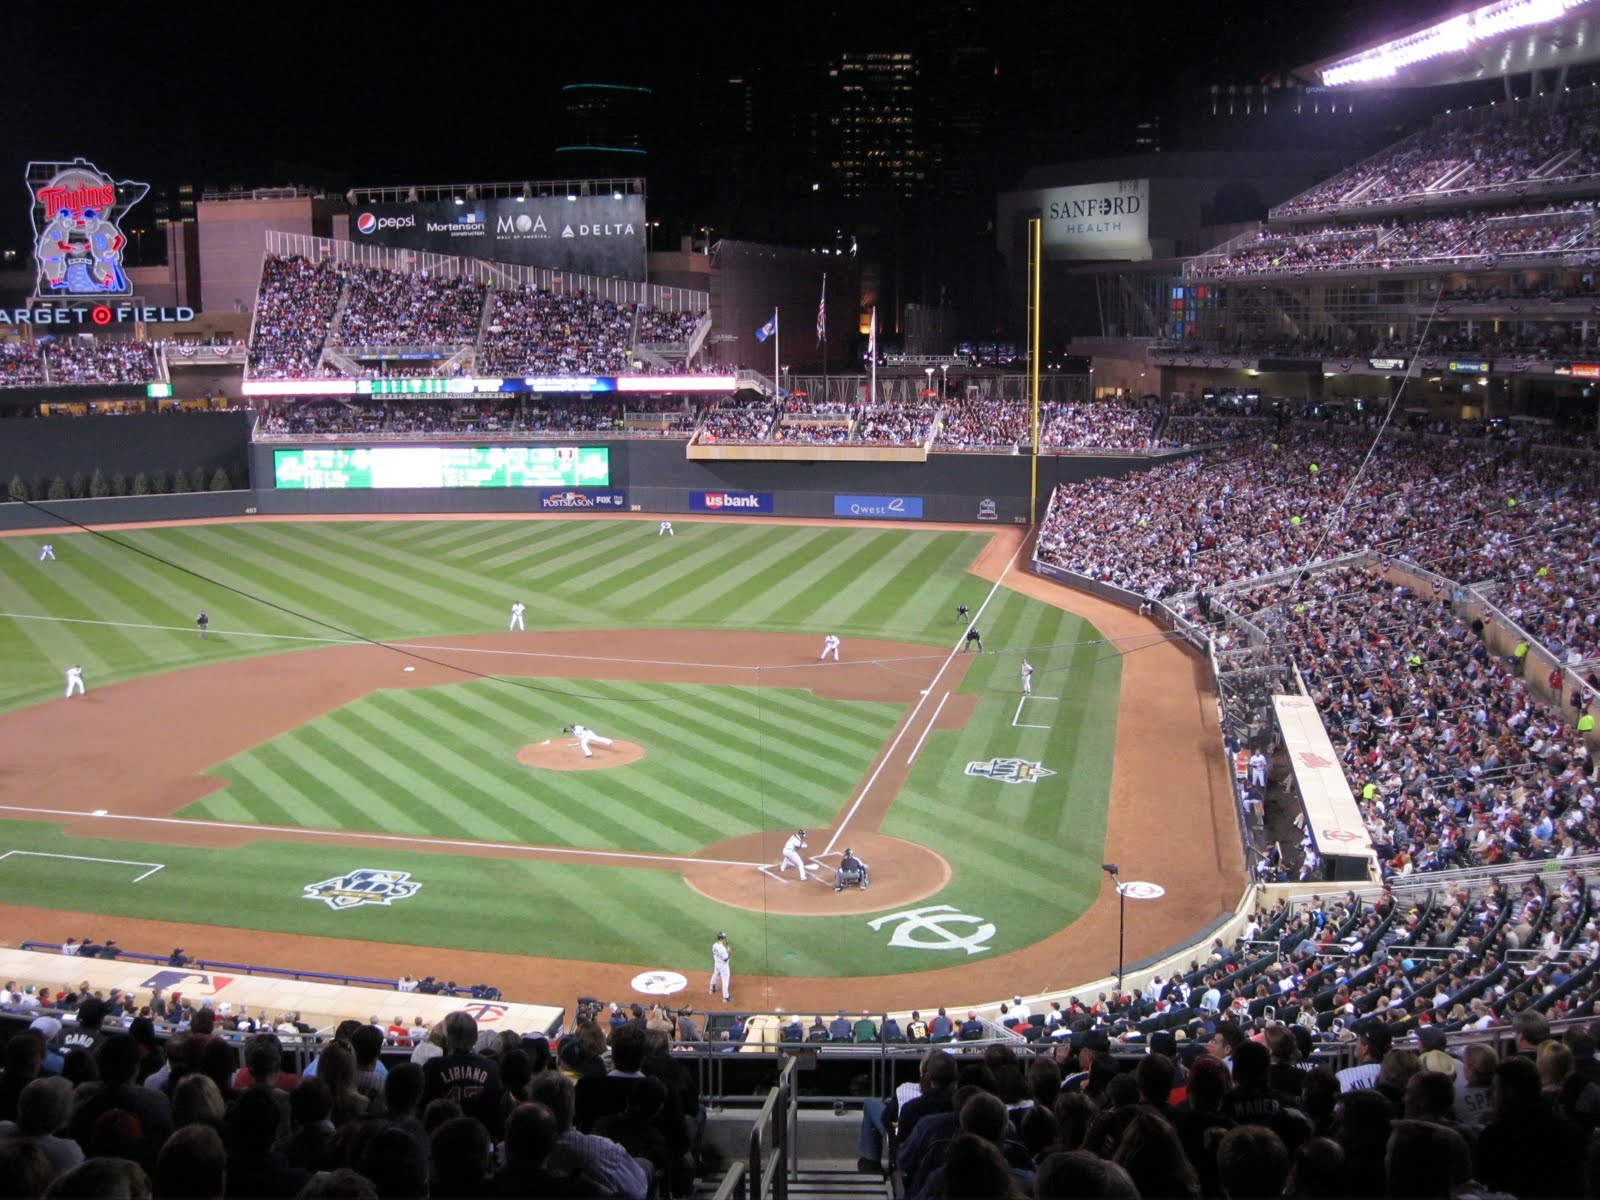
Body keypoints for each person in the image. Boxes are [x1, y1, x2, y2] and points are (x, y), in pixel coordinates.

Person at [709, 932, 731, 1002]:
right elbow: (726, 959)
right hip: (723, 966)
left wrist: (726, 951)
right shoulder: (722, 949)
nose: (725, 939)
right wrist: (728, 952)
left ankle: (711, 989)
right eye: (724, 938)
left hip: (717, 964)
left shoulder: (714, 945)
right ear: (722, 939)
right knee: (725, 980)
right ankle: (726, 997)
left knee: (715, 975)